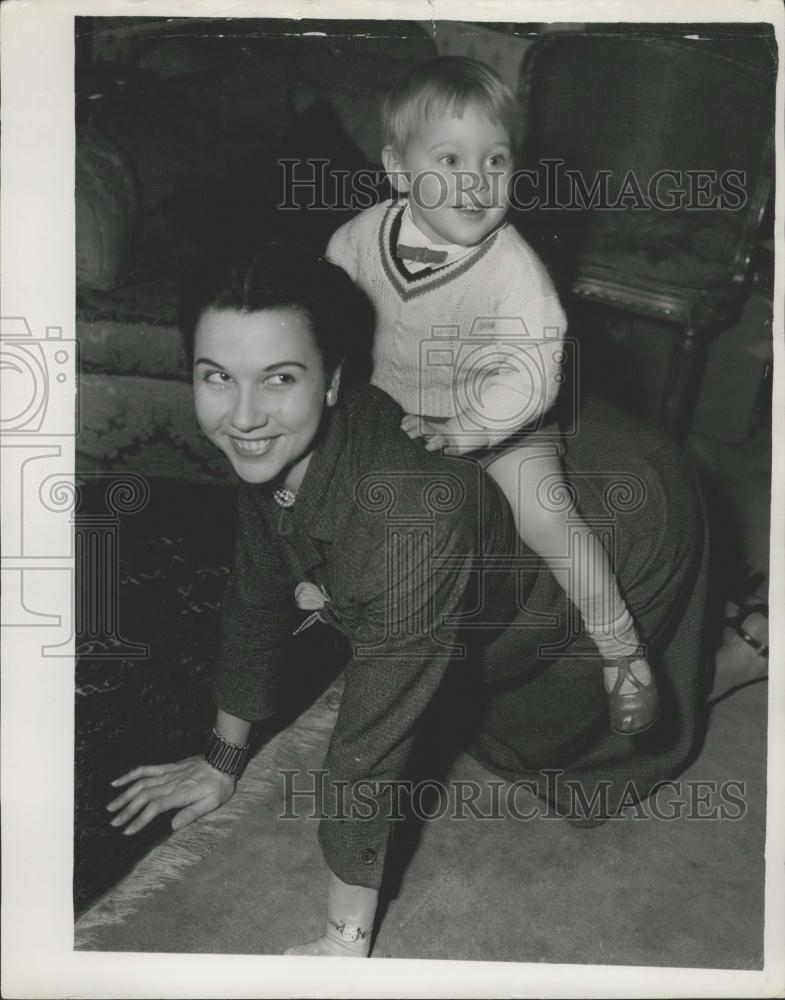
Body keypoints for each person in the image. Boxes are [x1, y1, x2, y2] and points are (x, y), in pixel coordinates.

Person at [107, 246, 707, 958]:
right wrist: (221, 759)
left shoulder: (404, 519)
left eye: (278, 380)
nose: (242, 416)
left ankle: (729, 654)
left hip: (621, 513)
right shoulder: (278, 441)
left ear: (332, 382)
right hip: (495, 500)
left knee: (559, 766)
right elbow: (255, 600)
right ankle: (732, 640)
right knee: (447, 686)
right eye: (217, 377)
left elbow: (370, 747)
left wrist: (343, 941)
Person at [326, 56, 659, 736]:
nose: (475, 183)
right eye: (448, 159)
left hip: (501, 419)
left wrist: (466, 430)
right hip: (392, 412)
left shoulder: (514, 271)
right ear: (397, 169)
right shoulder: (358, 239)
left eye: (495, 161)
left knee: (547, 518)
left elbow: (533, 372)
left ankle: (620, 649)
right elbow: (323, 315)